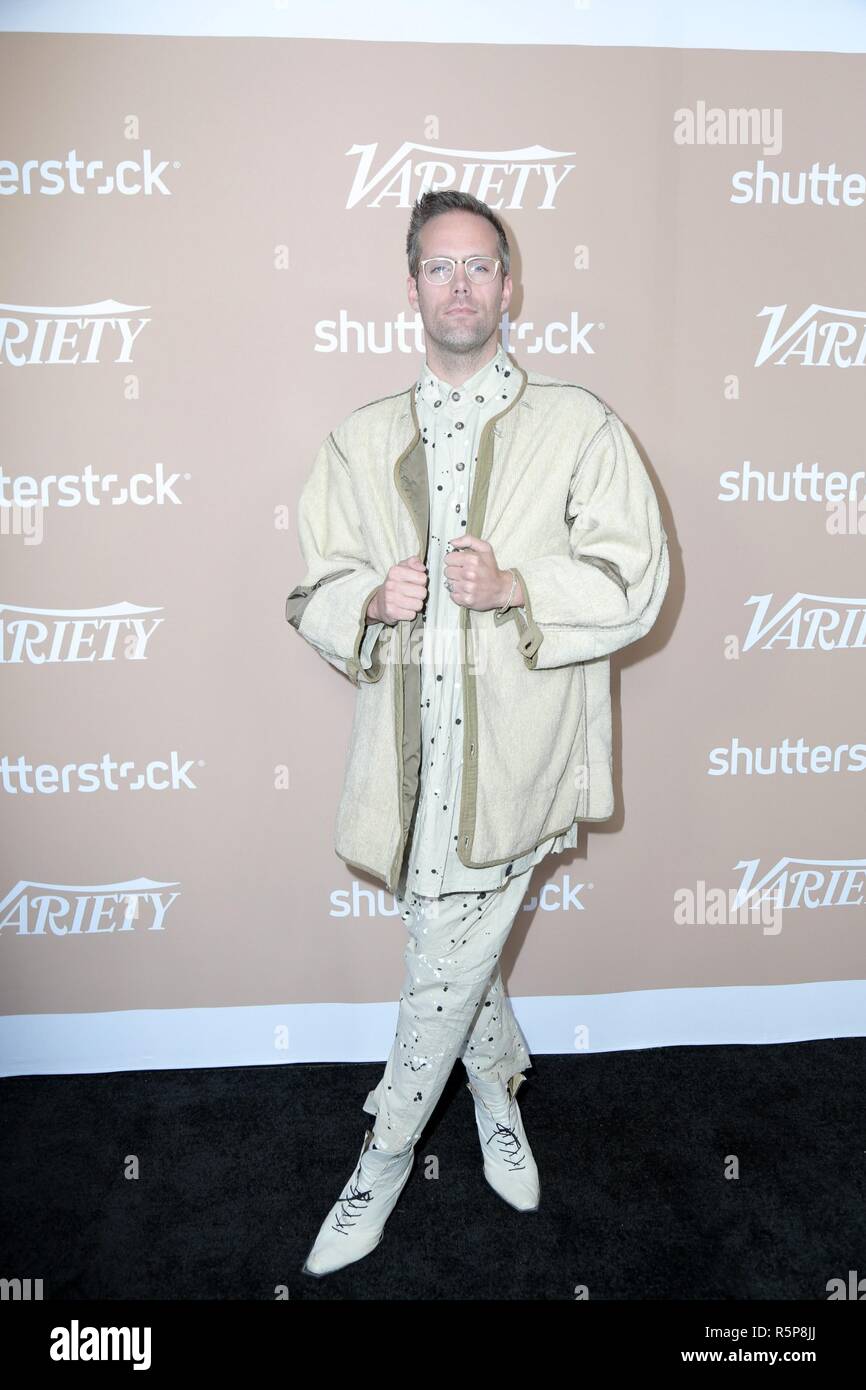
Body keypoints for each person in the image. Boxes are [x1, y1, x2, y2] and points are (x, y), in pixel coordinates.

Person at [286, 189, 670, 1277]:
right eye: (439, 267)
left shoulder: (577, 424)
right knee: (453, 959)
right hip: (408, 769)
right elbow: (310, 583)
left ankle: (382, 1152)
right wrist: (364, 600)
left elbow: (633, 577)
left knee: (438, 965)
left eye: (480, 266)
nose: (460, 285)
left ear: (509, 284)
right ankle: (496, 1083)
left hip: (518, 757)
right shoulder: (357, 440)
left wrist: (515, 584)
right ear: (409, 285)